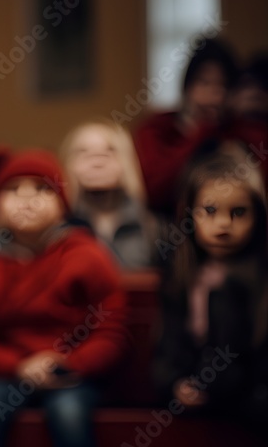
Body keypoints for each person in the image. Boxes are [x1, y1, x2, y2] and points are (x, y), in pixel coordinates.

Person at [0, 149, 129, 447]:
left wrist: (70, 364)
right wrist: (20, 365)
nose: (28, 199)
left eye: (42, 189)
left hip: (73, 375)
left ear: (63, 204)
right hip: (8, 374)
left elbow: (111, 328)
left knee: (68, 412)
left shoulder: (87, 254)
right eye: (13, 190)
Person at [152, 154, 268, 425]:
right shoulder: (180, 276)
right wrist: (175, 385)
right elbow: (168, 345)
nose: (224, 225)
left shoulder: (259, 277)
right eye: (210, 211)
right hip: (197, 405)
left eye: (239, 212)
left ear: (259, 215)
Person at [133, 38, 239, 217]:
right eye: (204, 83)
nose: (213, 95)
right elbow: (154, 191)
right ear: (187, 87)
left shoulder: (234, 132)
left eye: (222, 85)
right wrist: (201, 132)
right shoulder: (157, 128)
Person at [59, 120, 156, 270]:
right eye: (83, 152)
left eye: (110, 151)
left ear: (127, 162)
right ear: (68, 164)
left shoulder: (155, 229)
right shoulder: (56, 231)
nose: (97, 161)